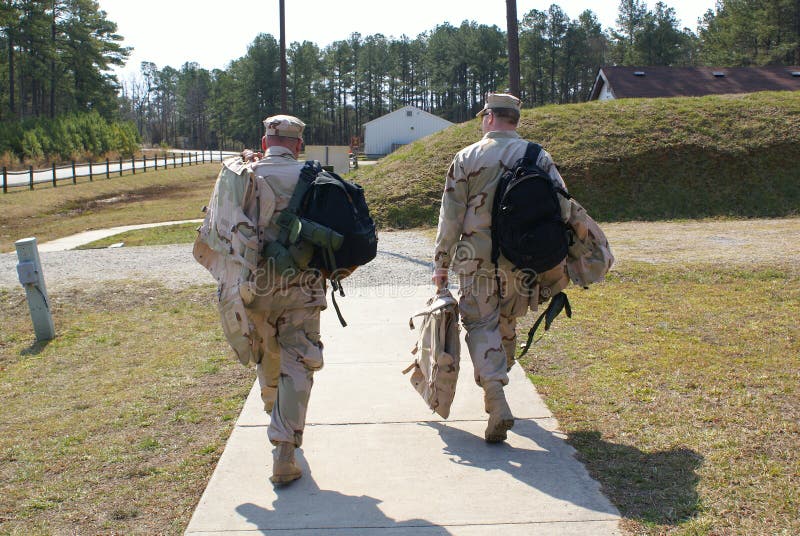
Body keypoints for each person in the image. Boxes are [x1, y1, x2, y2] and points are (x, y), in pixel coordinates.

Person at [431, 93, 570, 443]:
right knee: (506, 322)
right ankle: (499, 374)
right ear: (515, 119)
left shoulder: (467, 157)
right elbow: (563, 209)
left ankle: (494, 394)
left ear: (490, 118)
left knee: (480, 323)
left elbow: (450, 218)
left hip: (475, 260)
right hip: (522, 261)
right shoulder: (538, 155)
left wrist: (441, 264)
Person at [249, 114, 327, 485]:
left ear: (265, 142)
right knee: (298, 360)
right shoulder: (315, 178)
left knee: (267, 356)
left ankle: (275, 416)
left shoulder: (240, 176)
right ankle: (284, 447)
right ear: (298, 145)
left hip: (254, 289)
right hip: (303, 288)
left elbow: (214, 236)